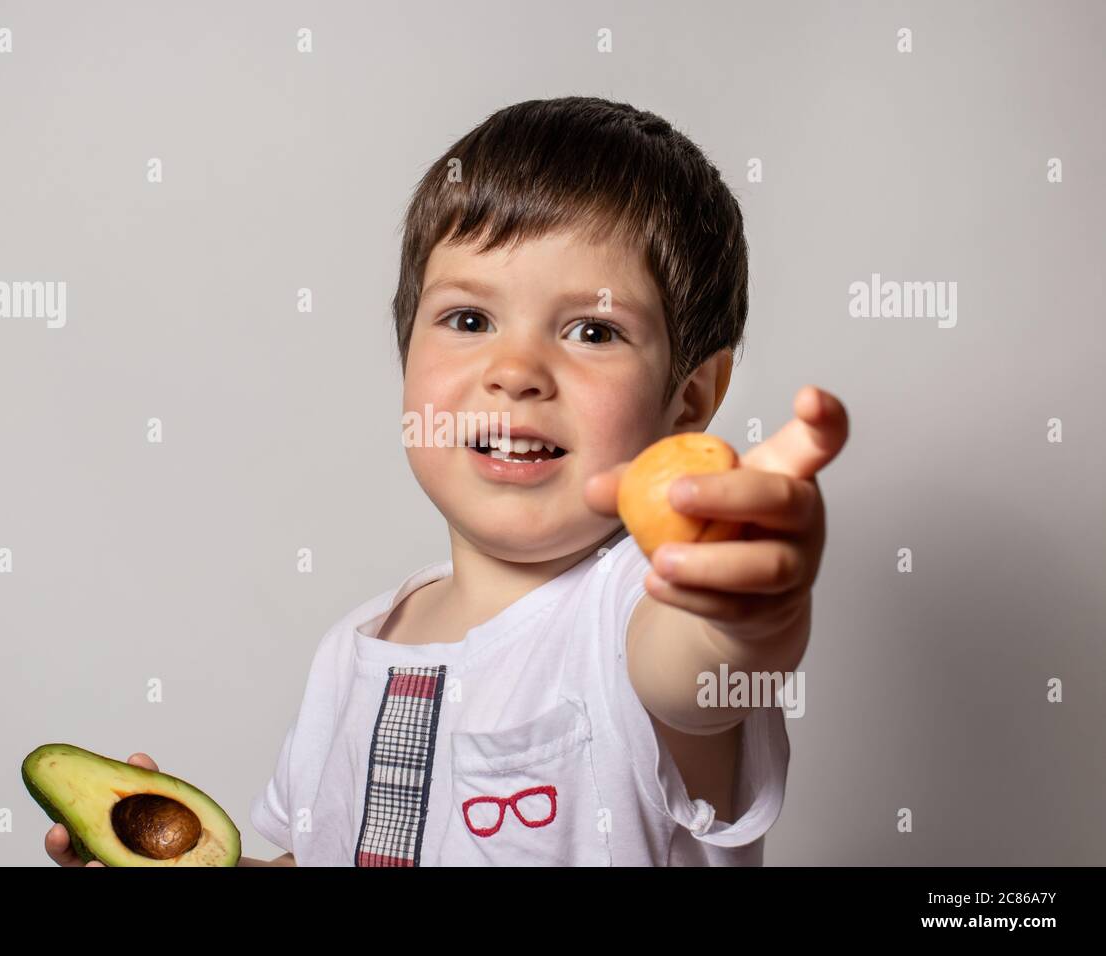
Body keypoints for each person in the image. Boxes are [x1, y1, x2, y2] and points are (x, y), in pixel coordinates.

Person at [47, 95, 847, 867]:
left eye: (593, 330)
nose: (516, 371)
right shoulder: (348, 652)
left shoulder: (636, 611)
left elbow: (698, 673)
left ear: (690, 400)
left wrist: (743, 607)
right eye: (470, 320)